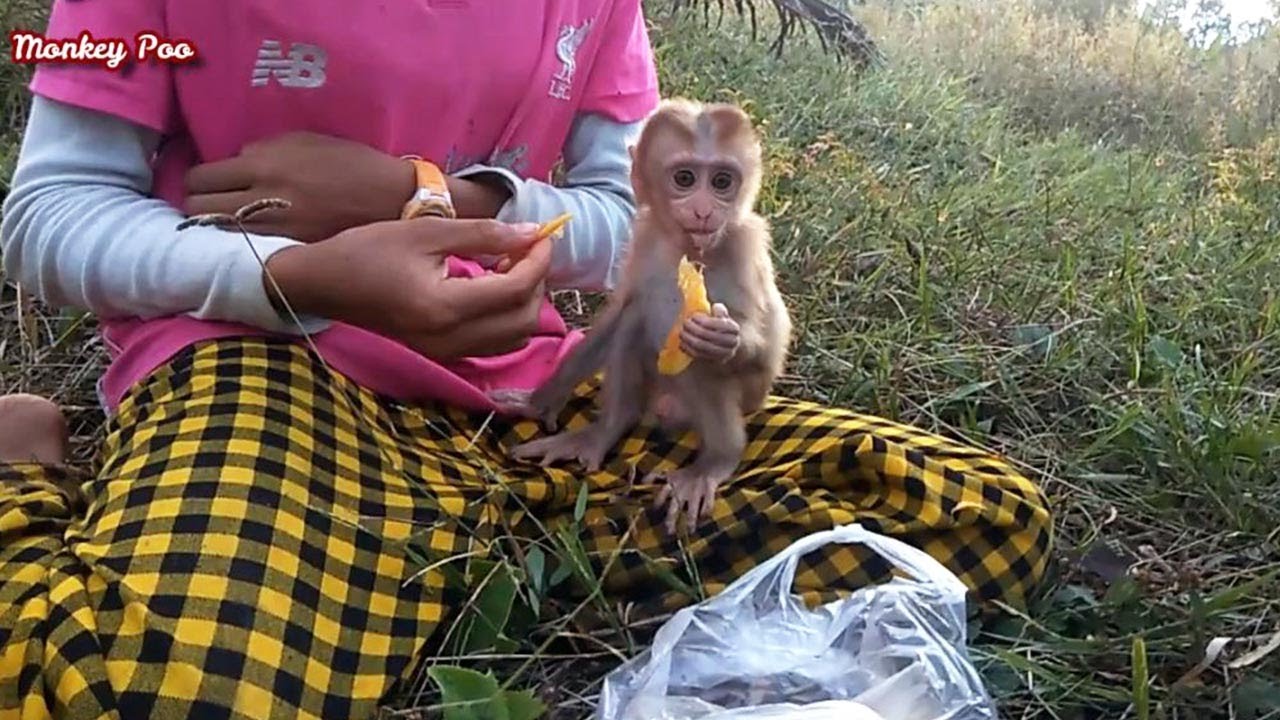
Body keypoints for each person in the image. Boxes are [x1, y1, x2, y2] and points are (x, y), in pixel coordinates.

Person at [0, 1, 1053, 717]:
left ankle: (434, 549)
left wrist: (432, 196)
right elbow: (47, 215)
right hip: (269, 351)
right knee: (161, 695)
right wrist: (298, 277)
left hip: (530, 385)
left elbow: (637, 210)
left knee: (973, 513)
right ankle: (22, 469)